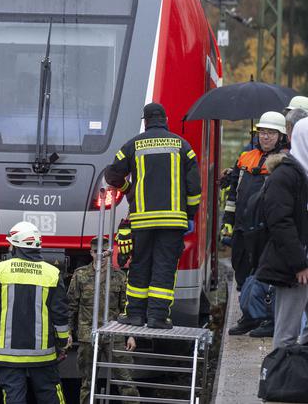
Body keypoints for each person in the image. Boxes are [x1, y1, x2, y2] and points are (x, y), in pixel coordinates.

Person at [104, 102, 201, 329]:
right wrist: (190, 215)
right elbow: (194, 186)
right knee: (165, 267)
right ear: (166, 120)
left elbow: (112, 175)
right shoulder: (183, 146)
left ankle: (135, 315)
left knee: (140, 265)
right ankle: (158, 317)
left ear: (145, 122)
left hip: (143, 220)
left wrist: (129, 191)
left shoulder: (133, 145)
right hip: (174, 221)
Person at [0, 221, 70, 404]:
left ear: (16, 245)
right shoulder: (52, 273)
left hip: (7, 354)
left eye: (11, 243)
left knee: (13, 397)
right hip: (43, 354)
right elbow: (60, 314)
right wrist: (62, 343)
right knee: (50, 394)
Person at [222, 112, 288, 336]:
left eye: (270, 133)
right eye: (262, 132)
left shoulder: (284, 161)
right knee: (241, 272)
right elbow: (233, 194)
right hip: (242, 227)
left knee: (267, 275)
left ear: (281, 136)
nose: (265, 137)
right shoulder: (244, 158)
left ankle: (268, 319)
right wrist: (227, 223)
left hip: (267, 229)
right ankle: (250, 316)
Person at [254, 118, 308, 350]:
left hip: (300, 262)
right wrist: (299, 264)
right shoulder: (286, 175)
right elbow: (280, 223)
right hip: (294, 267)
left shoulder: (301, 173)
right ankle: (278, 382)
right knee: (287, 333)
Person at [68, 237, 139, 404]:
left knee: (126, 381)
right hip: (88, 336)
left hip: (116, 334)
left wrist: (131, 334)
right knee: (87, 383)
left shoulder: (120, 277)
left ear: (109, 255)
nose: (101, 257)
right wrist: (68, 332)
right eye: (96, 253)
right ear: (91, 253)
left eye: (105, 254)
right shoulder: (80, 275)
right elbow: (71, 307)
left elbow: (127, 309)